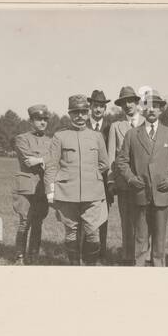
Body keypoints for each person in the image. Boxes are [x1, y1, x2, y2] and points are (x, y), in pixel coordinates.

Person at [113, 88, 168, 266]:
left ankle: (158, 269)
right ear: (142, 109)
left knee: (160, 239)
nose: (151, 110)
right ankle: (139, 269)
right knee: (140, 237)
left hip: (163, 192)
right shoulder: (132, 134)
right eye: (148, 106)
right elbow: (121, 161)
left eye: (156, 107)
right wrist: (131, 179)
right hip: (140, 193)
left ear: (161, 110)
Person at [44, 94, 110, 265]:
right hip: (67, 193)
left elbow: (104, 163)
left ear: (88, 113)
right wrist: (50, 192)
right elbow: (51, 165)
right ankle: (74, 267)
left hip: (93, 193)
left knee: (92, 232)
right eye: (76, 112)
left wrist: (90, 175)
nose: (80, 116)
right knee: (71, 231)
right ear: (69, 114)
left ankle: (90, 267)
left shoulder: (96, 136)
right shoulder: (60, 136)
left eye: (83, 112)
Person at [10, 104, 53, 264]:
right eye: (39, 119)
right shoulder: (21, 138)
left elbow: (55, 160)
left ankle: (33, 256)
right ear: (31, 121)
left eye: (45, 119)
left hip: (42, 188)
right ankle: (19, 257)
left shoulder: (51, 141)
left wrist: (41, 159)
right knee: (24, 222)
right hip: (26, 188)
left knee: (38, 223)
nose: (42, 122)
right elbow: (28, 161)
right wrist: (46, 159)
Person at [106, 86, 142, 265]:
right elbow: (111, 155)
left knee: (143, 220)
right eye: (123, 103)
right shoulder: (116, 126)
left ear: (137, 102)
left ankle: (144, 256)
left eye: (130, 101)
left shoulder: (147, 123)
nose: (127, 105)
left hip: (144, 181)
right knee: (127, 220)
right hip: (123, 182)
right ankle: (128, 256)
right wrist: (111, 180)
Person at [86, 89, 113, 261]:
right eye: (95, 106)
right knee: (85, 216)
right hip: (85, 179)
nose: (98, 110)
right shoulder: (82, 125)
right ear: (90, 106)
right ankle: (85, 250)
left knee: (103, 217)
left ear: (105, 109)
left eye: (101, 106)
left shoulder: (111, 128)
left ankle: (101, 252)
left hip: (104, 181)